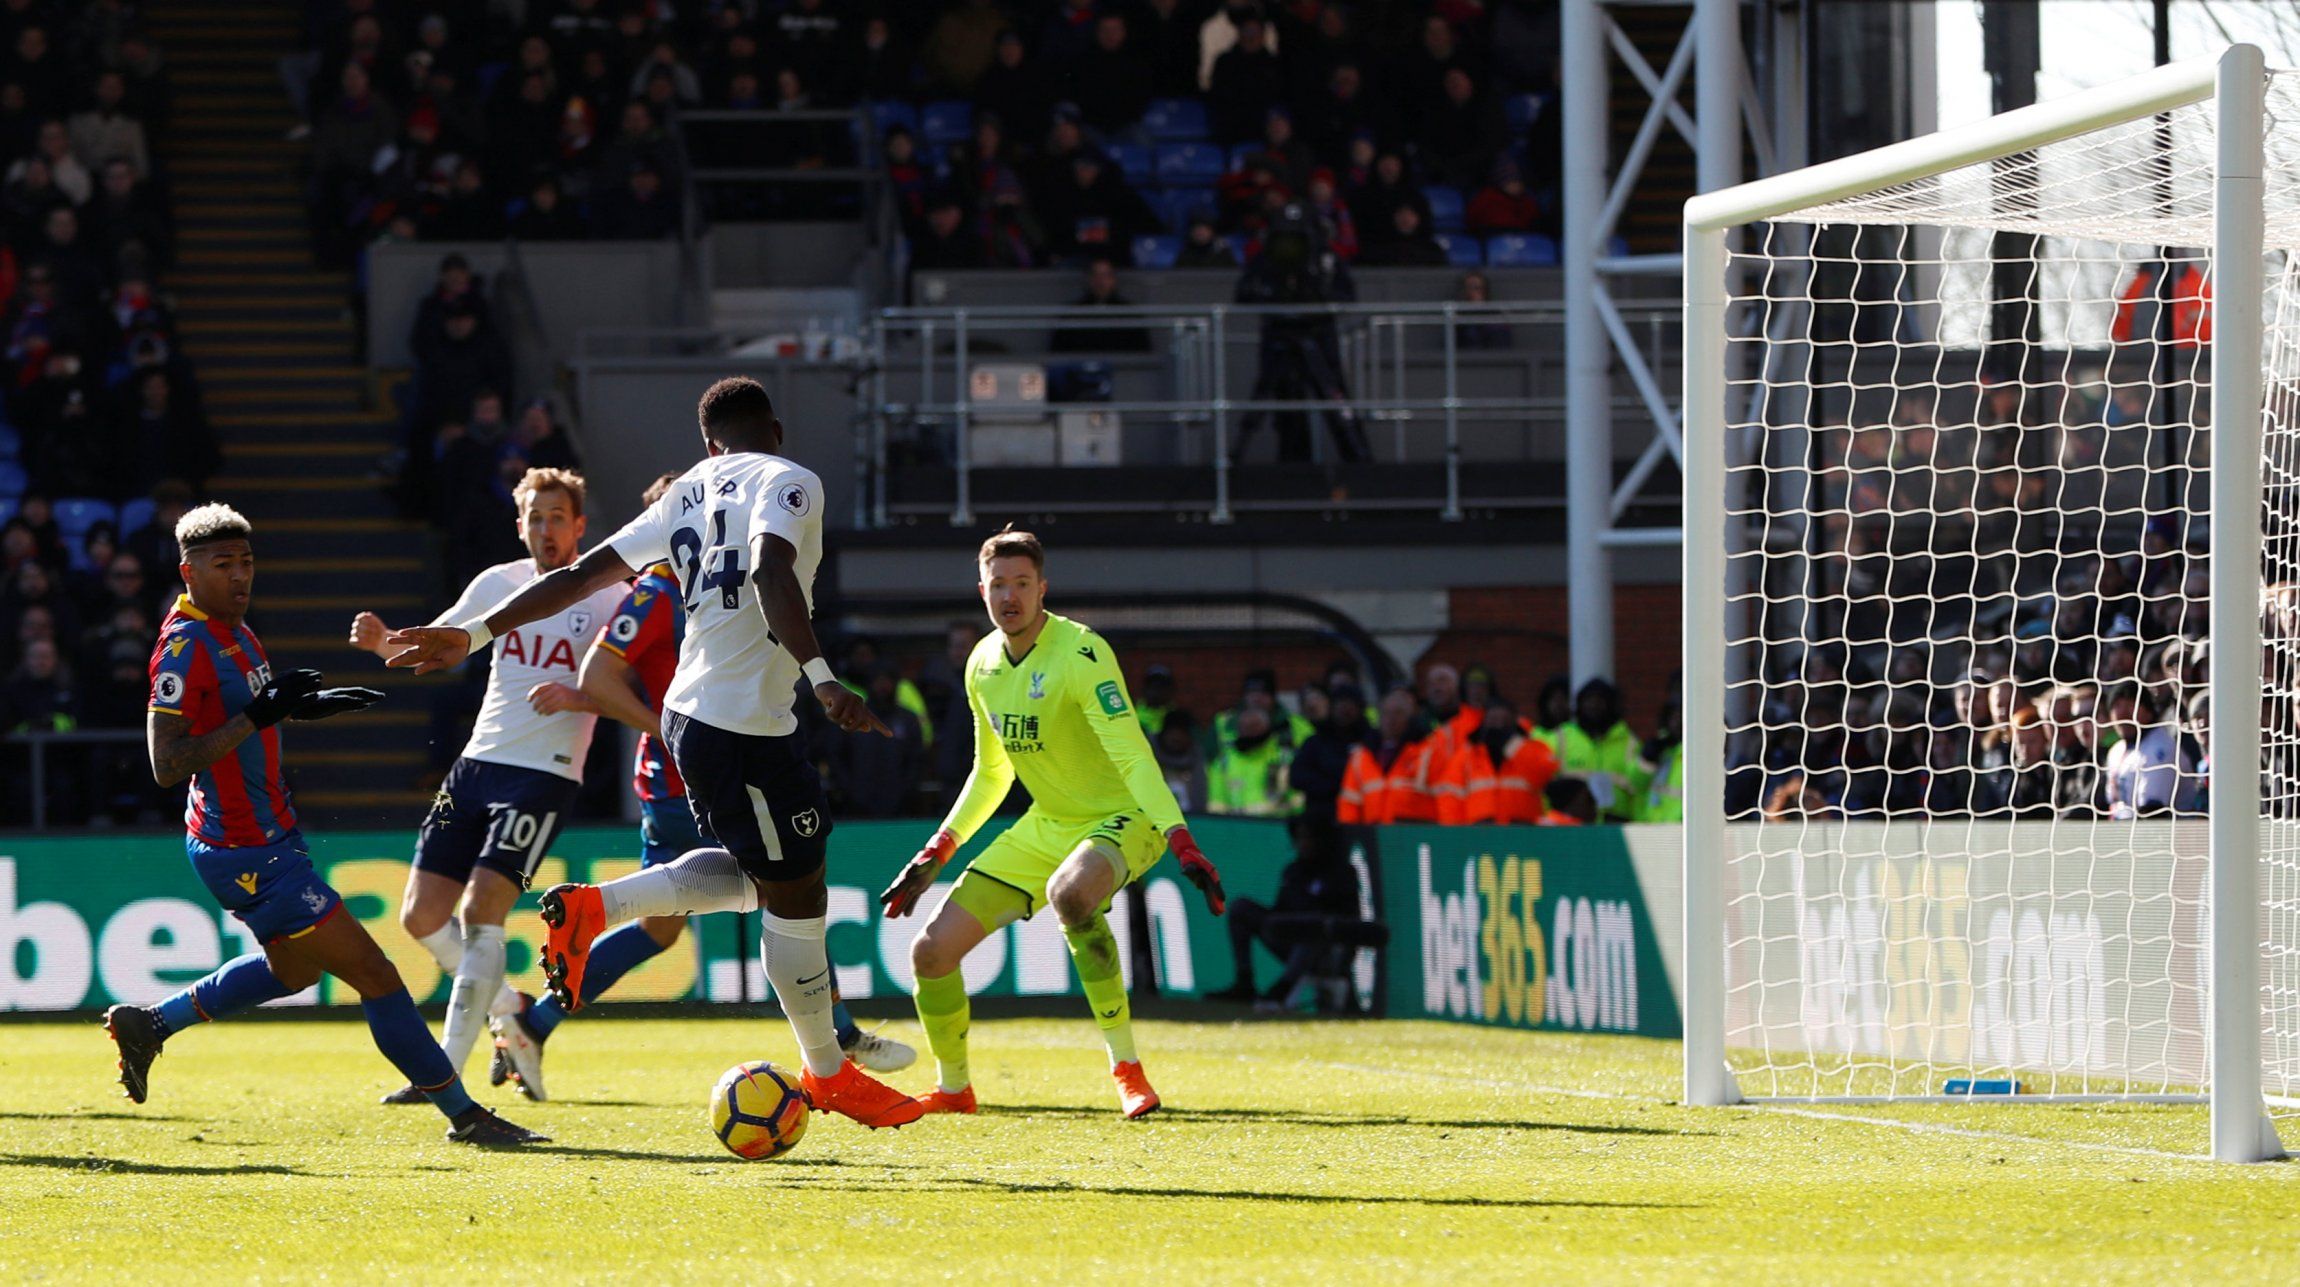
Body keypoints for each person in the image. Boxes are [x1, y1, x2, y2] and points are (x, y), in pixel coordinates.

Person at [382, 377, 925, 1130]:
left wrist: (475, 633)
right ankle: (830, 1074)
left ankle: (597, 908)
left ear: (708, 445)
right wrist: (824, 677)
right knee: (796, 895)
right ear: (773, 426)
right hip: (746, 723)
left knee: (771, 882)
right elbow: (770, 570)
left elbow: (576, 577)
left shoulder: (684, 494)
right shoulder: (790, 479)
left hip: (691, 719)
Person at [103, 503, 543, 1145]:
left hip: (267, 837)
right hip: (245, 847)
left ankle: (151, 1025)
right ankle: (467, 1117)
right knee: (377, 975)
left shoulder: (237, 630)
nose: (239, 576)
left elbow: (244, 716)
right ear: (188, 570)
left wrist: (300, 709)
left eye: (246, 562)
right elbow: (166, 764)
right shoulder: (184, 646)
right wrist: (259, 716)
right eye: (222, 565)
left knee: (293, 972)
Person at [488, 475, 914, 1098]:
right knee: (790, 884)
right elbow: (600, 674)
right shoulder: (661, 589)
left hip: (692, 765)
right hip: (686, 773)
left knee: (680, 922)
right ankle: (837, 1041)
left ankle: (539, 1016)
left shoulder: (696, 586)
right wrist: (665, 726)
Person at [877, 526, 1229, 1120]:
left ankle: (1127, 1069)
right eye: (997, 585)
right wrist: (938, 850)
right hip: (1050, 824)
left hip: (1126, 818)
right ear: (981, 590)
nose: (1009, 597)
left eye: (1021, 584)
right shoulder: (982, 665)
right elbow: (991, 776)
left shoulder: (1082, 653)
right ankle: (956, 1089)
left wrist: (1179, 838)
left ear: (1043, 588)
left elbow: (1132, 755)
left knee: (1071, 895)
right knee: (929, 954)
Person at [349, 468, 631, 1105]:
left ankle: (441, 1072)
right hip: (476, 765)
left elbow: (636, 688)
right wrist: (381, 644)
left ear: (580, 526)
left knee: (480, 914)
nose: (546, 529)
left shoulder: (611, 594)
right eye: (536, 517)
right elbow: (437, 645)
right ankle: (513, 1012)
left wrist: (581, 696)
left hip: (546, 774)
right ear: (520, 526)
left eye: (558, 517)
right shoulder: (499, 585)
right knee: (420, 916)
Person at [1233, 201, 1368, 463]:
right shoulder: (1265, 260)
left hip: (1318, 336)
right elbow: (1243, 294)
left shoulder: (1326, 260)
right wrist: (1270, 293)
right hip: (1278, 335)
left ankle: (1359, 463)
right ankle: (1292, 461)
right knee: (1285, 405)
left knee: (1335, 400)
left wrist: (1318, 296)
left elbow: (1346, 295)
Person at [1435, 696, 1560, 825]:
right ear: (1484, 722)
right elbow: (1449, 796)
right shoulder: (1467, 755)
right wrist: (1458, 835)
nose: (1498, 725)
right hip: (1479, 835)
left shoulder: (1531, 748)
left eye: (1504, 721)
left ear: (1514, 722)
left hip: (1523, 833)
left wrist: (1513, 744)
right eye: (1493, 720)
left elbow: (1545, 773)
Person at [1337, 687, 1444, 825]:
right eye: (1386, 713)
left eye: (1398, 713)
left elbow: (1443, 800)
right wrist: (1350, 836)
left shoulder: (1428, 752)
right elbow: (1349, 803)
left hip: (1416, 835)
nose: (1391, 719)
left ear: (1411, 717)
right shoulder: (1362, 756)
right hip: (1374, 837)